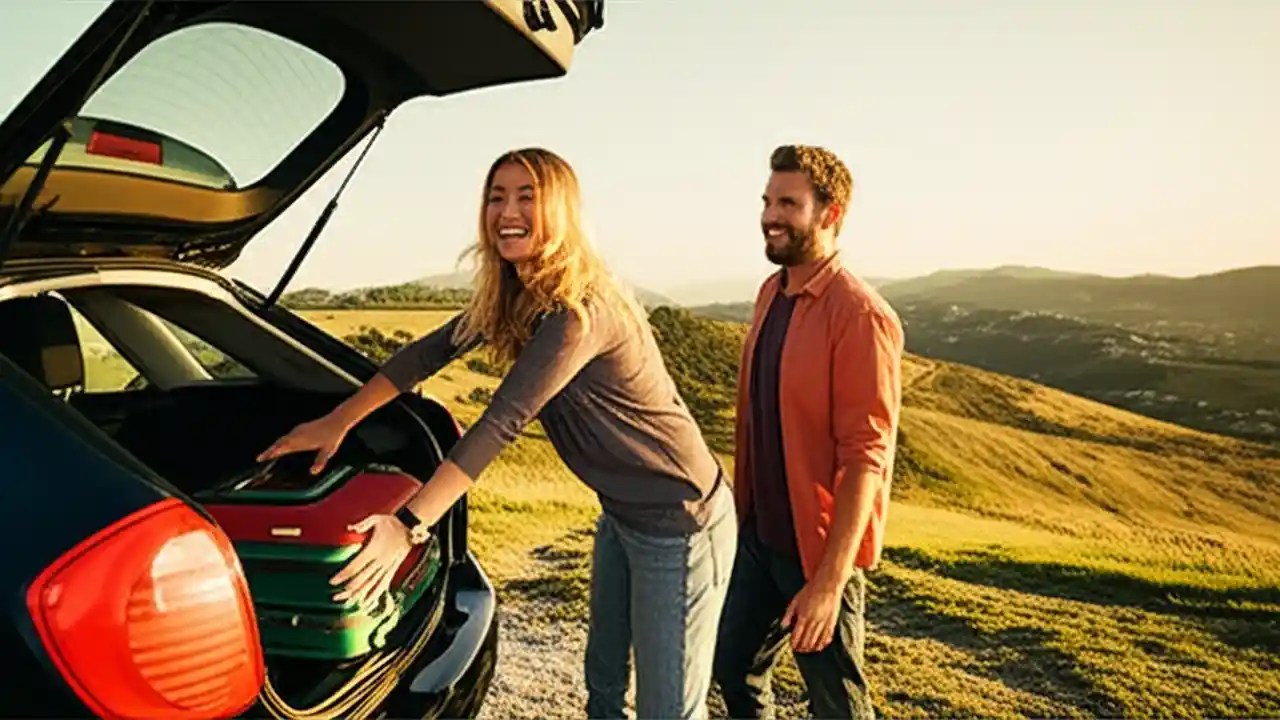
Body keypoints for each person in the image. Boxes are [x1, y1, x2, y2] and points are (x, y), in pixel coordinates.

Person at [257, 147, 737, 720]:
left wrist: (407, 524)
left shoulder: (578, 314)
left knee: (668, 710)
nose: (507, 211)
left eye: (527, 197)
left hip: (681, 521)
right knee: (604, 684)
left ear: (561, 210)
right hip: (621, 514)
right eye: (496, 197)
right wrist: (338, 421)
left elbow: (501, 422)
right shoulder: (517, 295)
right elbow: (427, 354)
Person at [711, 145, 904, 720]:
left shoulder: (860, 314)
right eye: (767, 201)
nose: (770, 216)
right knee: (734, 668)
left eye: (788, 204)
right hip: (760, 538)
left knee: (837, 704)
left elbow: (867, 456)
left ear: (830, 213)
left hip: (817, 550)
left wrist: (829, 581)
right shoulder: (771, 294)